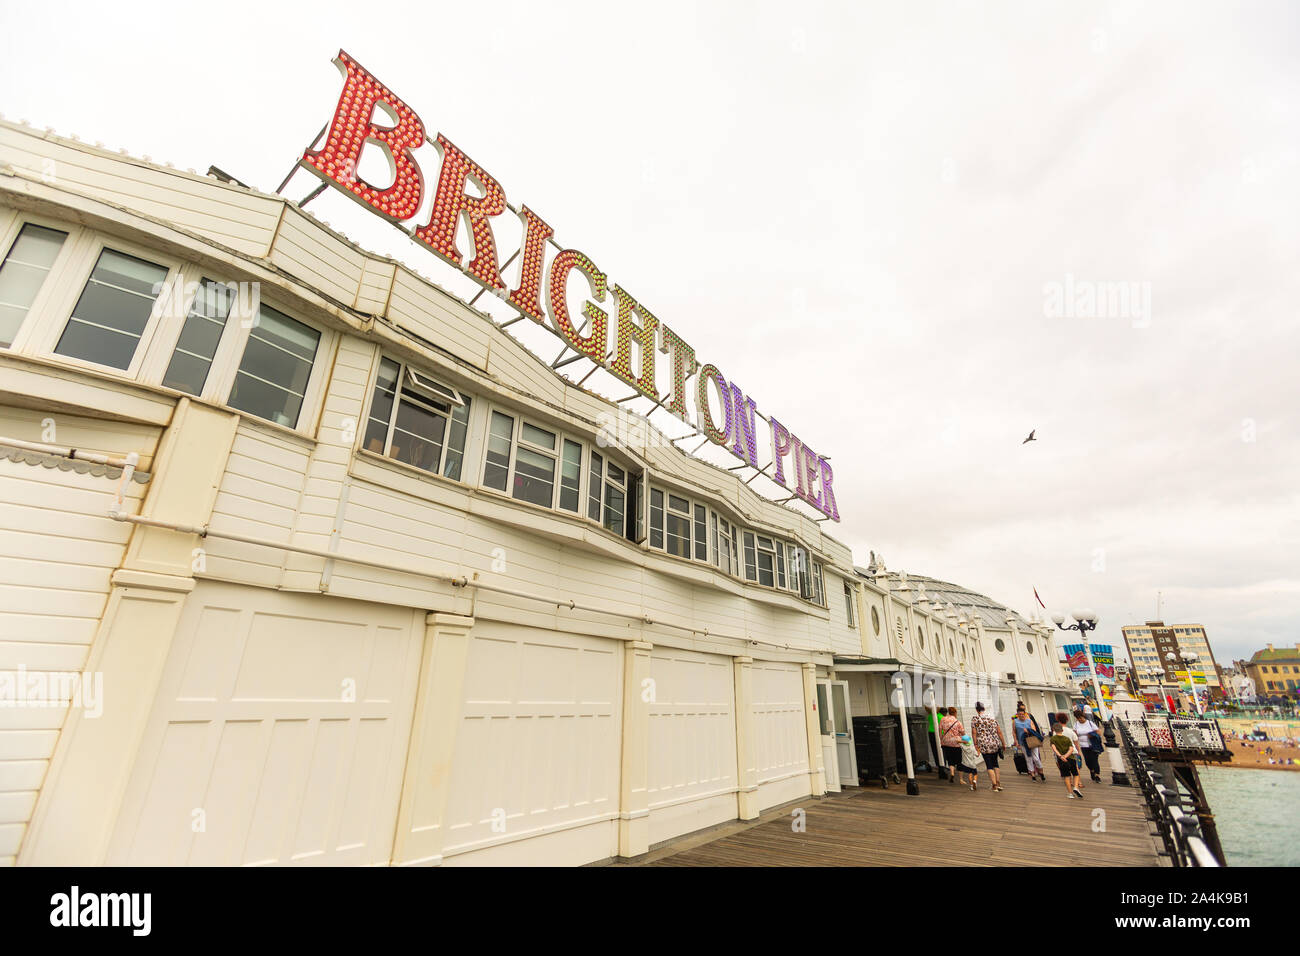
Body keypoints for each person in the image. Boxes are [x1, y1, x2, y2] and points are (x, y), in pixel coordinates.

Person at [970, 702, 1007, 792]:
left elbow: (974, 733)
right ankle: (998, 783)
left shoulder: (975, 719)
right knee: (995, 764)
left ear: (976, 710)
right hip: (994, 743)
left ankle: (994, 785)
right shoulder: (992, 718)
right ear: (984, 709)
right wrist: (1003, 743)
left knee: (989, 765)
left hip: (983, 744)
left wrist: (975, 744)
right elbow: (999, 732)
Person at [1048, 722, 1084, 798]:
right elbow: (1071, 749)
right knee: (1076, 774)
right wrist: (1066, 756)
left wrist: (1061, 756)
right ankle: (1076, 787)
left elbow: (1054, 749)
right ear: (1062, 730)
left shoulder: (1053, 739)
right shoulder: (1067, 739)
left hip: (1061, 760)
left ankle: (1070, 793)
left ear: (1053, 730)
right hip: (1071, 758)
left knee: (1067, 776)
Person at [1012, 702, 1046, 781]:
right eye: (1019, 714)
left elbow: (1034, 729)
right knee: (1028, 758)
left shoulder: (1029, 719)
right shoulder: (1015, 720)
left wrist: (1028, 731)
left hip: (1031, 741)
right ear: (1017, 714)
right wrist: (1016, 741)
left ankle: (1041, 772)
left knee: (1036, 758)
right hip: (1022, 742)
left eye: (1022, 713)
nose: (1021, 715)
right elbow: (1014, 732)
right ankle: (1032, 774)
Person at [938, 706, 968, 785]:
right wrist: (968, 741)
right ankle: (961, 779)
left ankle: (952, 773)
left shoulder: (943, 719)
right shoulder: (957, 722)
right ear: (955, 713)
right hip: (955, 743)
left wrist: (941, 740)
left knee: (950, 760)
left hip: (946, 743)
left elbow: (939, 730)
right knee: (959, 761)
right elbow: (963, 732)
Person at [1073, 708, 1103, 783]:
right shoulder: (1076, 724)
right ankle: (1092, 770)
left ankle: (1097, 775)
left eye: (1081, 718)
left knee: (1095, 760)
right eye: (1078, 718)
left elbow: (1098, 732)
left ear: (1083, 716)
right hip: (1083, 746)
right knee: (1087, 761)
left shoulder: (1089, 723)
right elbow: (1074, 734)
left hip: (1092, 745)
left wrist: (1092, 735)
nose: (1080, 720)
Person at [1055, 712, 1083, 788]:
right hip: (1072, 751)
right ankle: (1079, 783)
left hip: (1061, 752)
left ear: (1058, 720)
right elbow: (1076, 742)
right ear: (1067, 720)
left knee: (1063, 767)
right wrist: (1079, 752)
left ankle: (1069, 781)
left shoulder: (1056, 731)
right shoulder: (1070, 731)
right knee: (1075, 767)